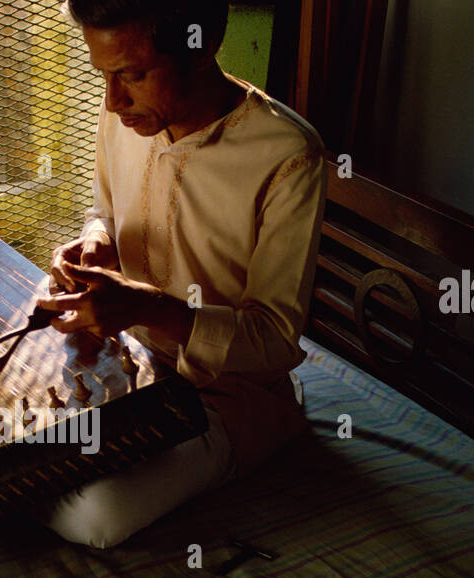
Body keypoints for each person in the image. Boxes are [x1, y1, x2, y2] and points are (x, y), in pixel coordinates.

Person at [33, 0, 327, 549]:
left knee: (97, 515)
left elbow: (275, 339)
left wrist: (148, 308)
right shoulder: (123, 114)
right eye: (104, 76)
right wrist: (96, 242)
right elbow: (107, 211)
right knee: (2, 420)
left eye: (133, 76)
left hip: (226, 396)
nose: (113, 101)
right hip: (124, 363)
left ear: (202, 49)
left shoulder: (288, 157)